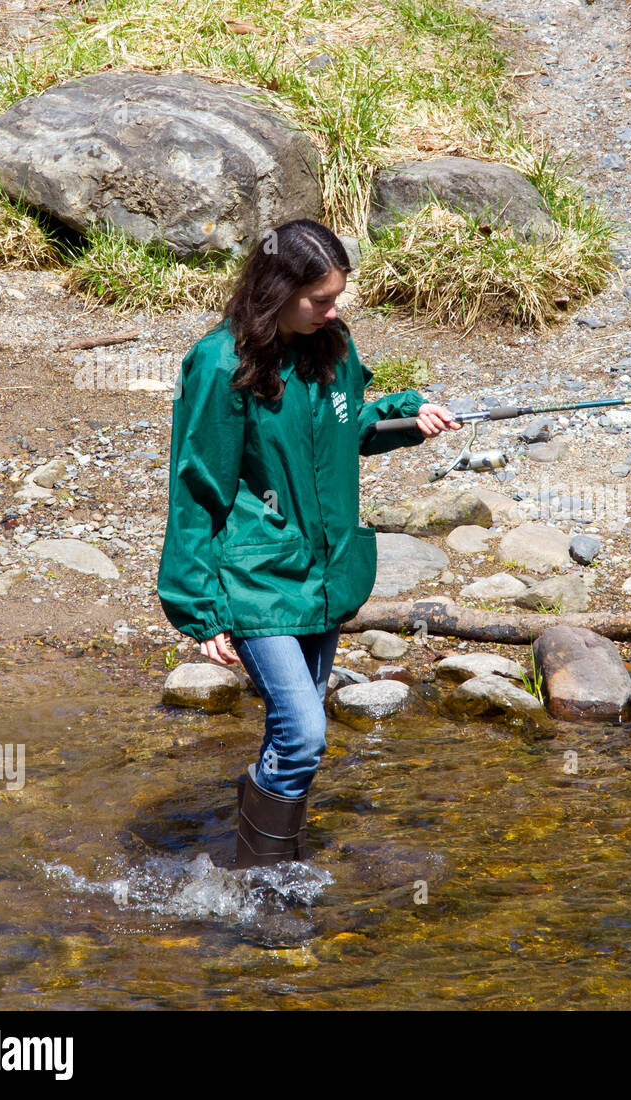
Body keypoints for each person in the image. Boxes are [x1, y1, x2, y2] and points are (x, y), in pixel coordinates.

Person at [156, 219, 461, 868]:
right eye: (319, 299)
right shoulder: (219, 363)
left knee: (293, 732)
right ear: (276, 289)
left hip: (322, 574)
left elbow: (347, 427)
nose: (333, 310)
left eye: (337, 297)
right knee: (303, 733)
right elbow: (197, 486)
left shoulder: (331, 346)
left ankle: (262, 868)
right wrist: (200, 606)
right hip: (257, 578)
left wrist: (407, 417)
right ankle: (260, 878)